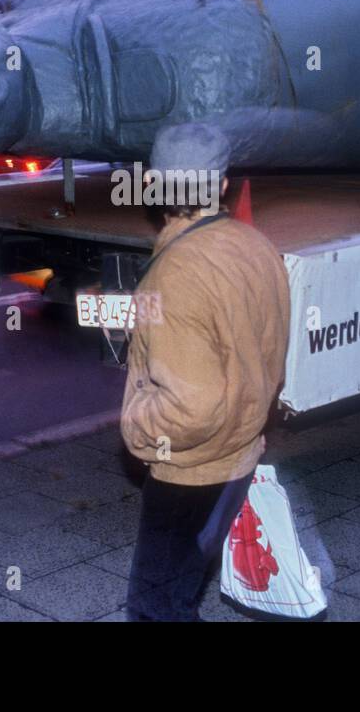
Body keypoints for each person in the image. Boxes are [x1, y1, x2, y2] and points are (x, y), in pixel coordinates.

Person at [120, 123, 291, 621]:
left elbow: (191, 406)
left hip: (190, 471)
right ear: (220, 185)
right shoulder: (255, 245)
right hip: (239, 453)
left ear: (154, 186)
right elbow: (272, 351)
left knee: (155, 608)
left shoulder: (177, 273)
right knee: (181, 594)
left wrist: (137, 426)